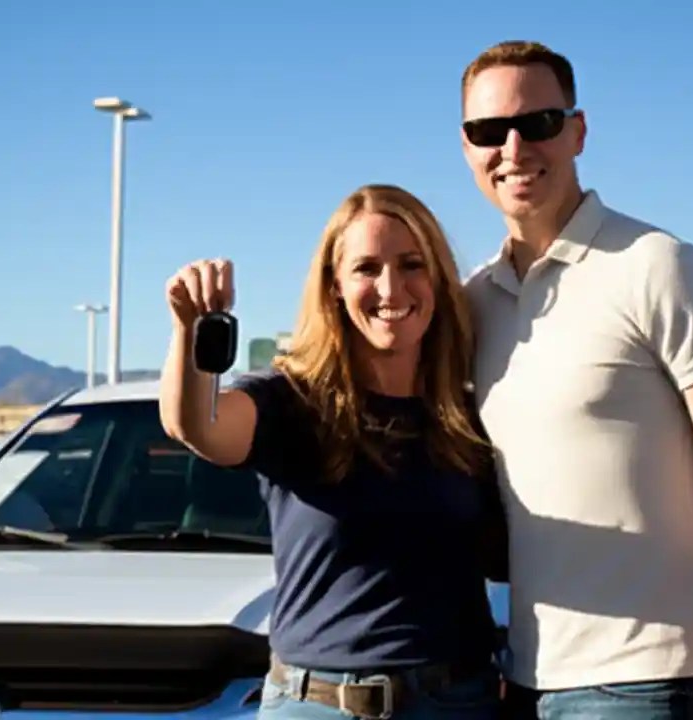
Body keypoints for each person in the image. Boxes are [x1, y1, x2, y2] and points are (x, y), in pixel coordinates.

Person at [456, 41, 693, 720]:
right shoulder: (471, 305)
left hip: (651, 684)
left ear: (578, 131)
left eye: (539, 123)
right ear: (467, 148)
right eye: (489, 131)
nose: (514, 148)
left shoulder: (660, 266)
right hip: (519, 683)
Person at [158, 183, 508, 720]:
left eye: (412, 264)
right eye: (367, 268)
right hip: (319, 704)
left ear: (438, 279)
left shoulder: (468, 414)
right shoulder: (289, 403)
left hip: (458, 700)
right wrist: (190, 330)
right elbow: (196, 428)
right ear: (334, 288)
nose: (391, 288)